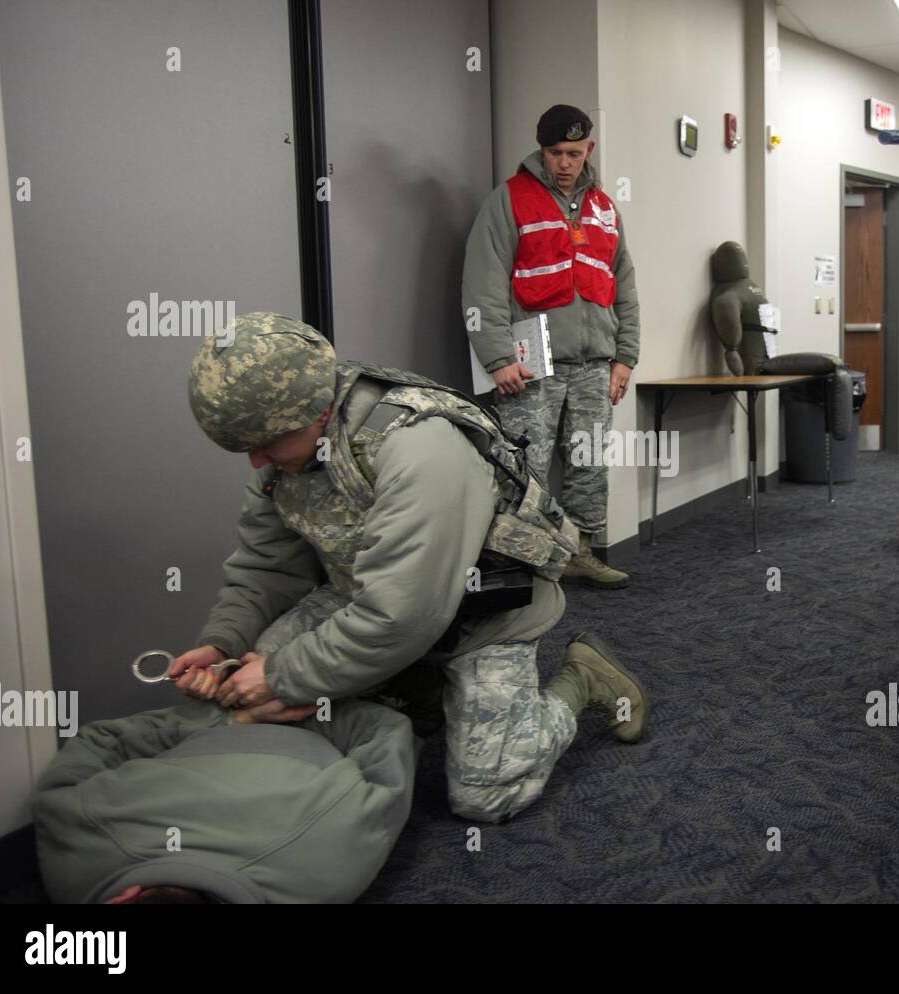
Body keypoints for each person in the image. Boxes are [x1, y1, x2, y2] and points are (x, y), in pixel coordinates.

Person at [177, 312, 650, 826]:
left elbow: (402, 616)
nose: (256, 461)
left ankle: (582, 678)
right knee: (244, 693)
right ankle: (418, 687)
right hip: (367, 599)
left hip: (484, 618)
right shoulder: (283, 452)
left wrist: (282, 676)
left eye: (265, 444)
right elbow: (266, 566)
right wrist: (223, 643)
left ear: (316, 409)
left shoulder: (417, 445)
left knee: (486, 798)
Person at [462, 103, 640, 589]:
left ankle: (581, 553)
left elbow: (623, 284)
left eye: (575, 153)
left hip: (594, 364)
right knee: (525, 467)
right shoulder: (509, 200)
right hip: (531, 364)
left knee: (588, 462)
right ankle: (523, 568)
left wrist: (625, 357)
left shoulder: (604, 208)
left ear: (590, 150)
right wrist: (497, 356)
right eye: (556, 152)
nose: (565, 163)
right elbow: (484, 284)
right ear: (541, 150)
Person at [34, 698, 418, 903]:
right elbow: (386, 729)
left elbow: (387, 740)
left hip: (265, 708)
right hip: (316, 710)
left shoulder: (331, 868)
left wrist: (241, 715)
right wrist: (252, 716)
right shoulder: (72, 857)